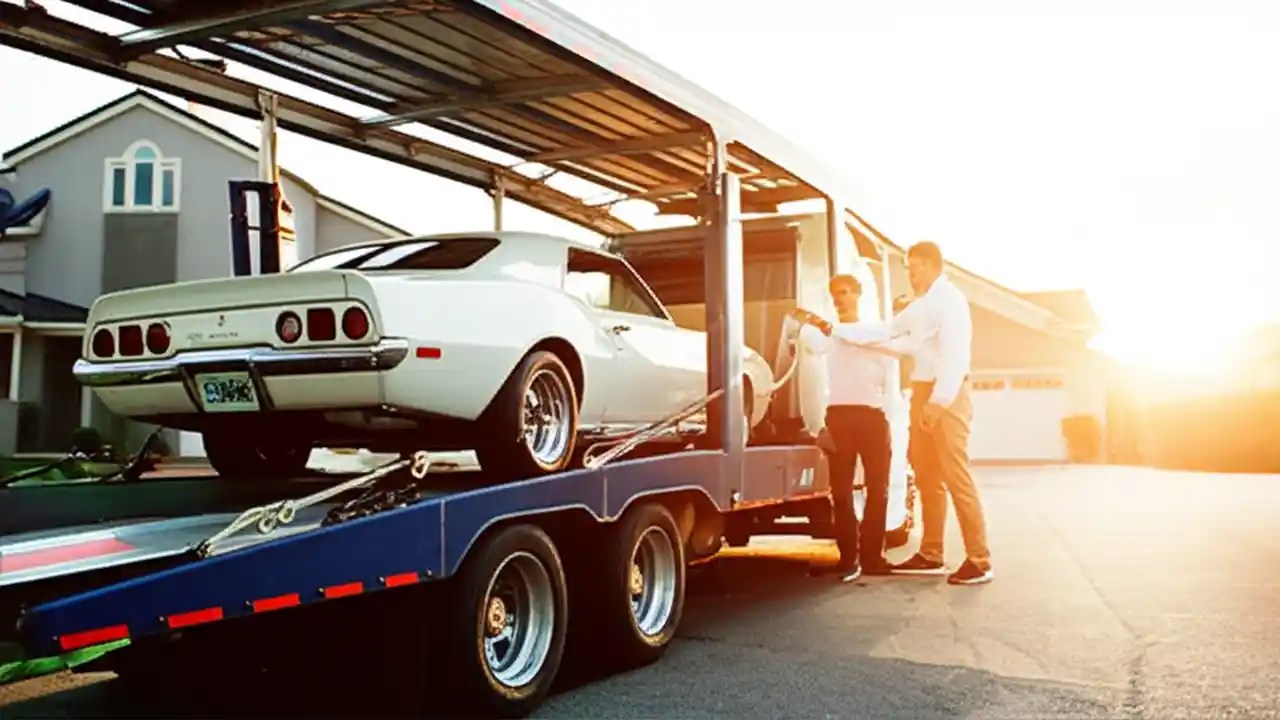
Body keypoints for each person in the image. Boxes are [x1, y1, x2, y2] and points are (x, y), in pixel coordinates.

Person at [795, 242, 994, 586]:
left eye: (915, 268)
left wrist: (939, 401)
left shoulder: (949, 301)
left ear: (931, 265)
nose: (911, 276)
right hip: (922, 392)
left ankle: (979, 560)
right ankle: (931, 553)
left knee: (955, 475)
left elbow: (956, 355)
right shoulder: (922, 305)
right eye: (909, 269)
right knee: (927, 476)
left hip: (944, 395)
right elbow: (889, 336)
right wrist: (836, 331)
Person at [788, 273, 895, 582]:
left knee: (878, 490)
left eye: (846, 292)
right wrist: (816, 427)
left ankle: (873, 558)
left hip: (873, 417)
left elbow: (890, 382)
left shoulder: (875, 333)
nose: (840, 298)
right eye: (835, 293)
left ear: (858, 294)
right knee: (842, 494)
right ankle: (848, 559)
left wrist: (888, 418)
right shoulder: (824, 337)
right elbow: (803, 345)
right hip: (839, 418)